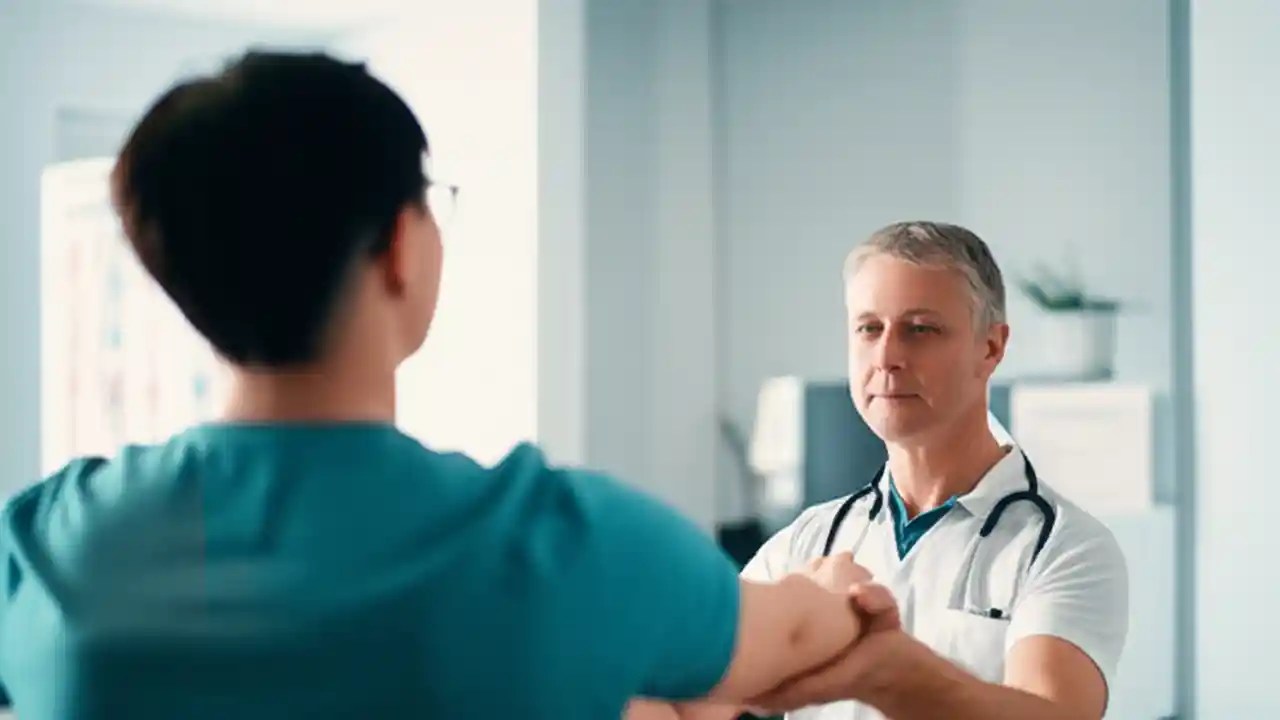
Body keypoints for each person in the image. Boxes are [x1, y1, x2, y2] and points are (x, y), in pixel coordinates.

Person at [0, 51, 874, 719]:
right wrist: (837, 581)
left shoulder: (43, 545)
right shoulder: (560, 546)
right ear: (398, 245)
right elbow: (804, 630)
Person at [655, 222, 1129, 720]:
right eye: (868, 329)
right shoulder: (809, 542)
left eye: (920, 329)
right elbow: (691, 700)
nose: (886, 357)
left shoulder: (1062, 547)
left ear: (990, 348)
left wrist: (888, 672)